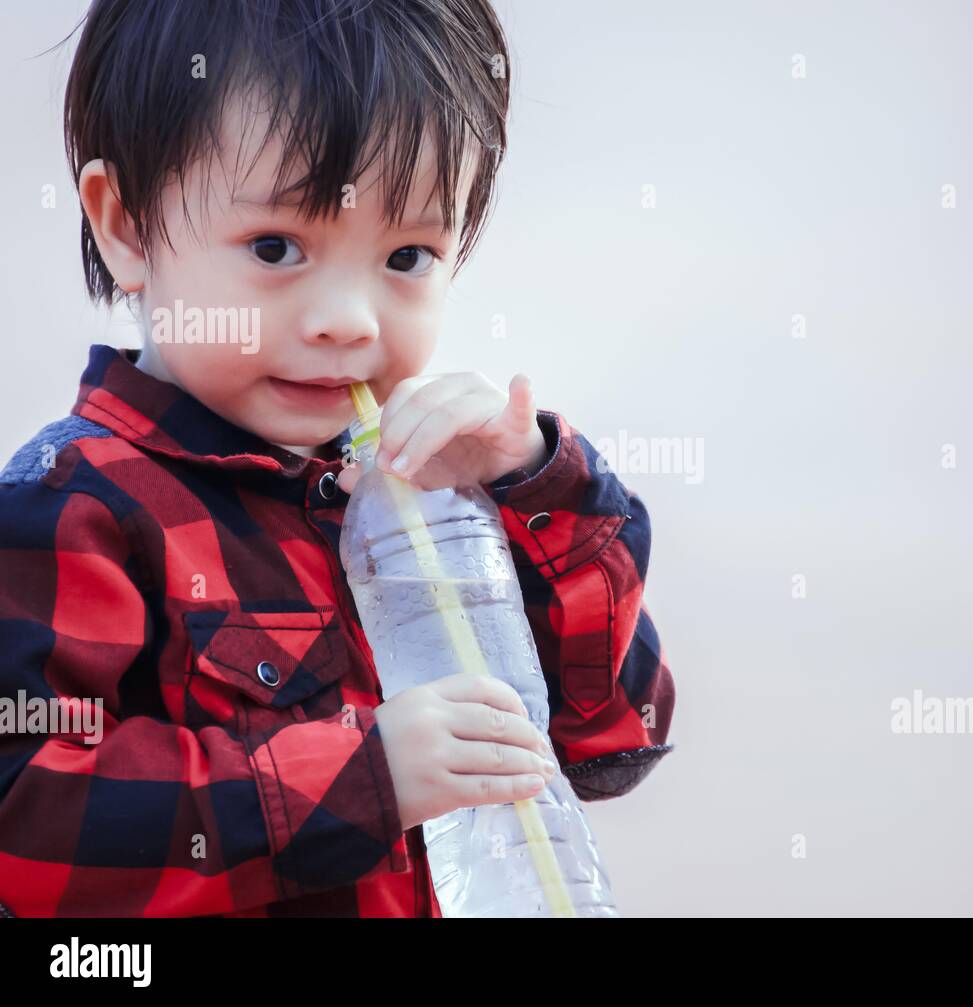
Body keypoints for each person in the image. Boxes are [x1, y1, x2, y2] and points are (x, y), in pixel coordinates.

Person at [0, 0, 674, 917]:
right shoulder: (74, 506)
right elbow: (27, 824)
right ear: (124, 226)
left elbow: (612, 740)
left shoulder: (437, 492)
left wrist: (536, 484)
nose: (350, 320)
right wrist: (364, 775)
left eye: (408, 255)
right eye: (276, 247)